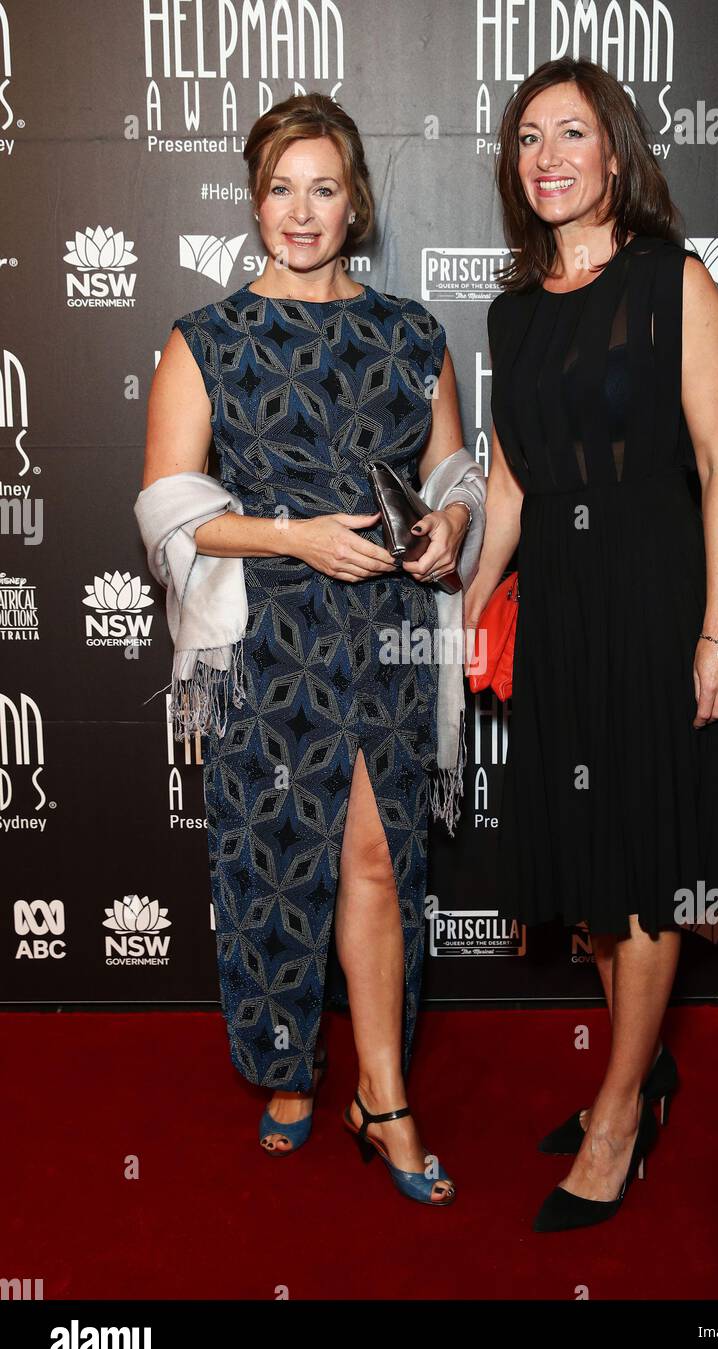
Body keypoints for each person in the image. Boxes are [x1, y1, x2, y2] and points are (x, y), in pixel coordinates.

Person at [139, 93, 483, 1206]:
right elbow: (169, 505)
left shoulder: (412, 332)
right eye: (281, 187)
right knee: (275, 865)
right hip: (267, 635)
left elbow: (452, 478)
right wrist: (292, 533)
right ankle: (287, 1067)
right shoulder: (207, 339)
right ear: (253, 201)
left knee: (381, 860)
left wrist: (446, 534)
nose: (301, 210)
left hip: (385, 635)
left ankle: (381, 1093)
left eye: (323, 187)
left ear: (354, 203)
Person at [465, 58, 718, 1231]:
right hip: (561, 607)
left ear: (616, 152)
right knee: (587, 863)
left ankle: (620, 1110)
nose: (545, 158)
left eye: (570, 133)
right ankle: (647, 1067)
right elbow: (512, 483)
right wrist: (465, 604)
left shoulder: (673, 282)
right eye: (528, 138)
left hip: (653, 592)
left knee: (641, 868)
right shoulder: (513, 310)